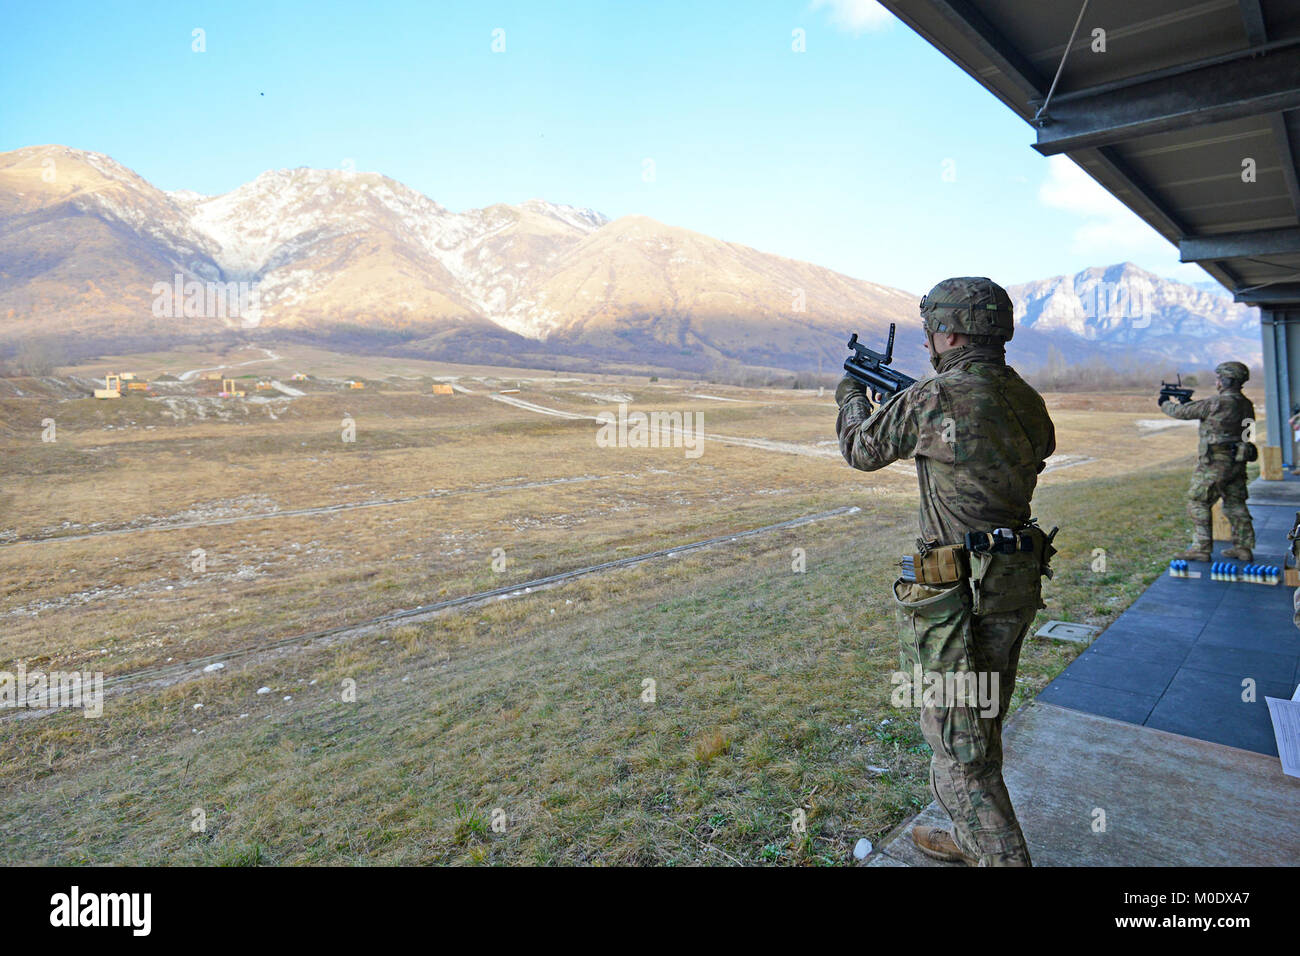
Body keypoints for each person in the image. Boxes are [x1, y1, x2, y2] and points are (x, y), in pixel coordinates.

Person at [835, 277, 1056, 867]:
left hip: (956, 593)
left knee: (959, 751)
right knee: (981, 720)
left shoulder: (935, 399)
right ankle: (969, 836)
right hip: (1012, 583)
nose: (929, 339)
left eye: (932, 327)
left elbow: (861, 449)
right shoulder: (1028, 399)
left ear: (950, 330)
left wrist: (852, 395)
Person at [1160, 362, 1255, 562]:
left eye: (1219, 378)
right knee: (1235, 504)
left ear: (1226, 381)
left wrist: (1164, 402)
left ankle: (1201, 548)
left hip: (1214, 464)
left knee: (1198, 502)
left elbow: (1181, 413)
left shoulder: (1216, 403)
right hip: (1238, 462)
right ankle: (1243, 547)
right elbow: (1248, 433)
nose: (1217, 381)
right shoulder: (1246, 404)